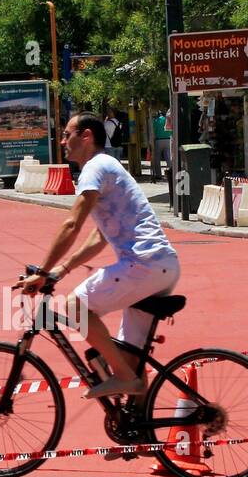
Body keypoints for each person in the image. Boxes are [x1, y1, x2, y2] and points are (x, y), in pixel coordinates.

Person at [19, 112, 180, 400]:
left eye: (67, 135)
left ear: (87, 136)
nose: (63, 141)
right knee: (131, 360)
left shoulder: (95, 167)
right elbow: (98, 237)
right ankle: (139, 433)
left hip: (143, 263)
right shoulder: (107, 167)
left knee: (75, 307)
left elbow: (72, 224)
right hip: (160, 264)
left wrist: (42, 272)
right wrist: (61, 270)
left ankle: (122, 377)